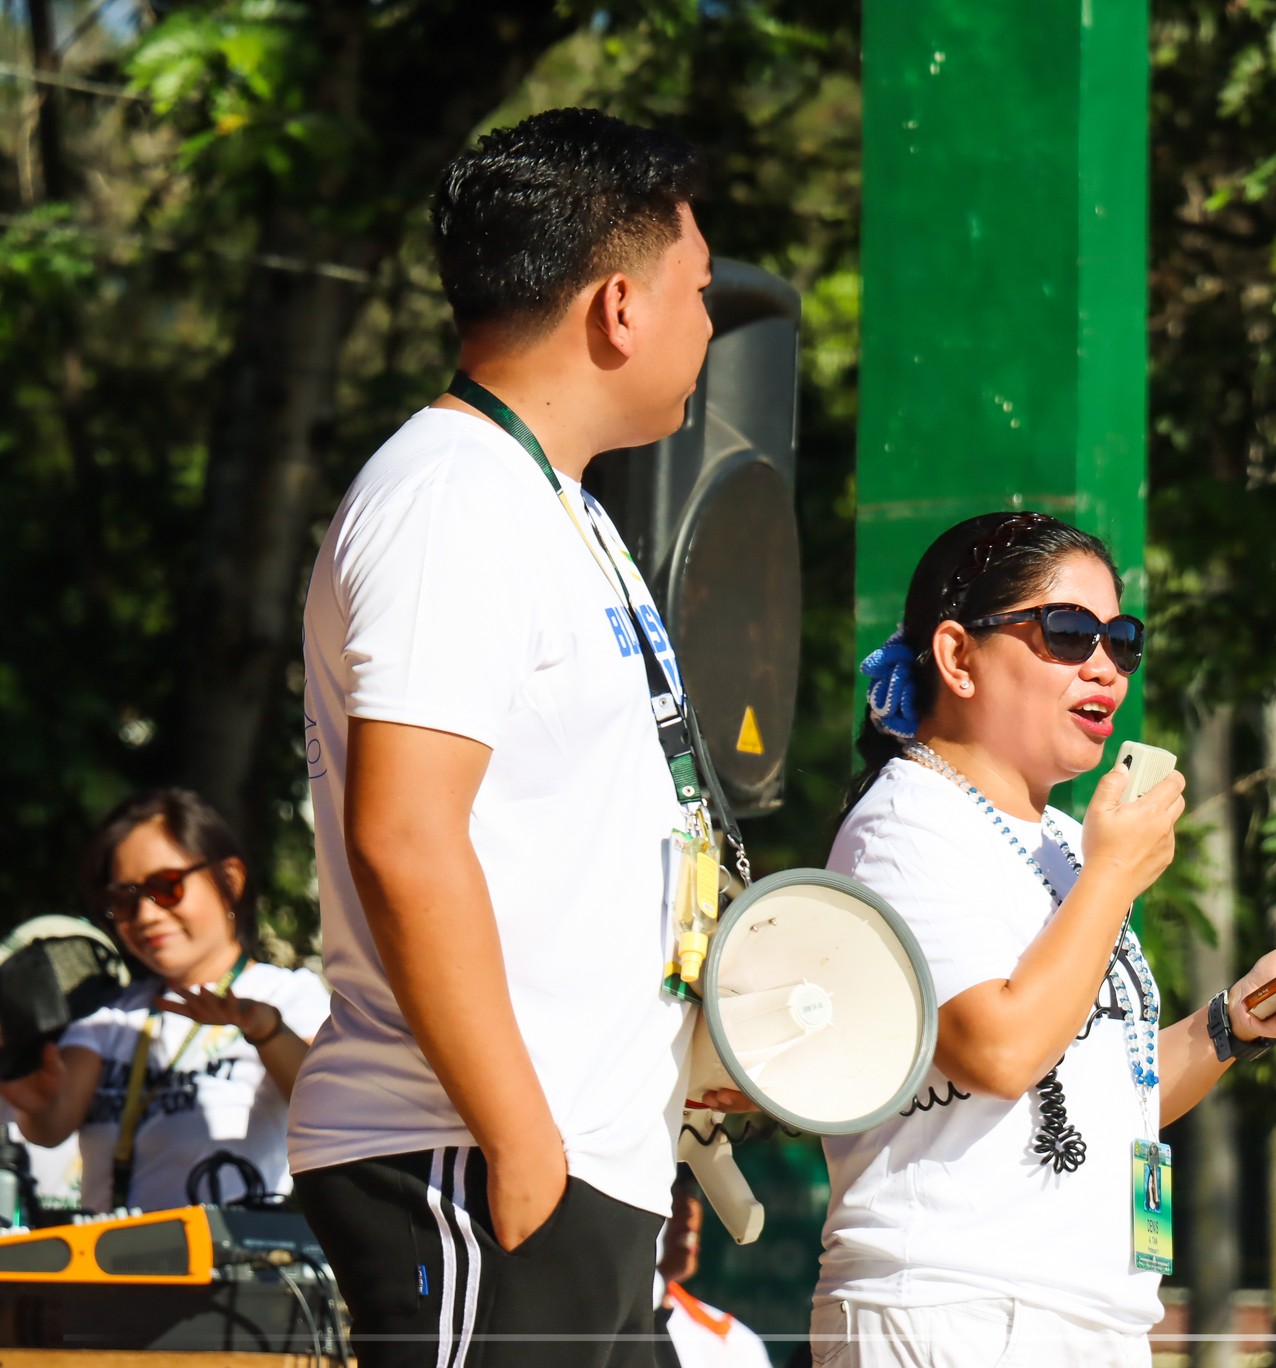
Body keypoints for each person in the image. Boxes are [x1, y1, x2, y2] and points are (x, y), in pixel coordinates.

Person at [290, 108, 735, 1368]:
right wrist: (521, 1135)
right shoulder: (453, 497)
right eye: (696, 290)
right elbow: (403, 833)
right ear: (618, 307)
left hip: (577, 1171)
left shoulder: (555, 506)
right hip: (473, 1160)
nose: (709, 324)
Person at [809, 512, 1276, 1367]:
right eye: (1067, 632)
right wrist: (1113, 878)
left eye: (1121, 639)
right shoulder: (903, 826)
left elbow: (1108, 1094)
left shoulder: (1068, 842)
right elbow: (997, 1054)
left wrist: (1235, 1022)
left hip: (1087, 1315)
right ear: (958, 658)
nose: (1104, 664)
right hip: (954, 1307)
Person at [0, 789, 329, 1213]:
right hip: (108, 1265)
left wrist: (266, 1031)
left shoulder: (286, 994)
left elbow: (330, 1111)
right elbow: (51, 1128)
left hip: (232, 1266)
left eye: (165, 887)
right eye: (124, 898)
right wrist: (33, 1098)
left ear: (230, 879)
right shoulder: (110, 1013)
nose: (146, 914)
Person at [655, 1168, 773, 1368]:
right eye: (672, 1190)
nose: (689, 1207)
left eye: (693, 1192)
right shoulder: (594, 1318)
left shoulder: (735, 1341)